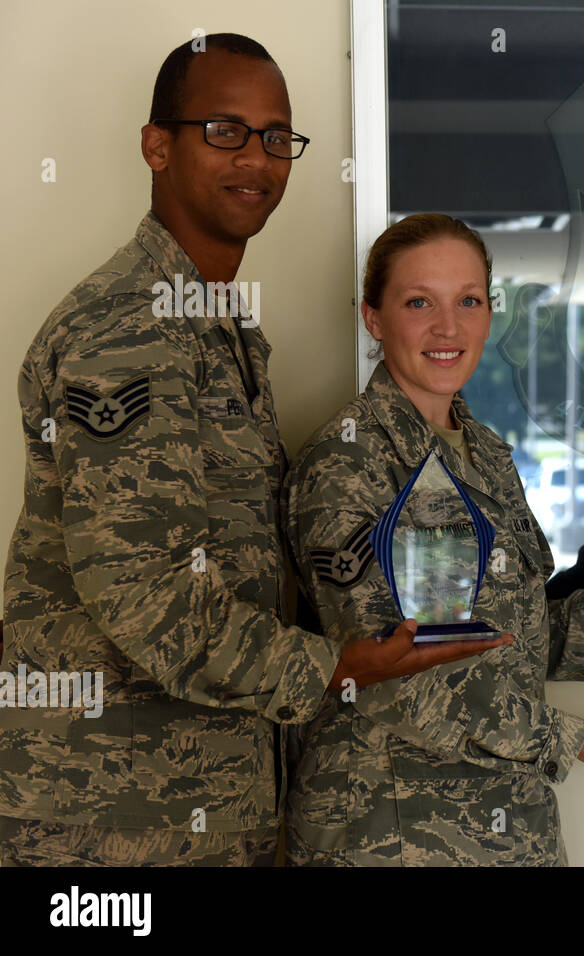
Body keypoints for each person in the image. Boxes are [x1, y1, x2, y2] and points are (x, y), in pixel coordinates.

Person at [0, 35, 499, 867]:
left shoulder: (218, 327)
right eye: (225, 130)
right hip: (111, 820)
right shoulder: (127, 328)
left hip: (204, 800)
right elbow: (143, 594)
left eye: (276, 137)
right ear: (158, 145)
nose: (257, 158)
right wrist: (333, 667)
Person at [286, 213, 584, 866]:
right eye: (418, 303)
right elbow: (390, 674)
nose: (448, 328)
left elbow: (503, 647)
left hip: (507, 828)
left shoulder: (483, 452)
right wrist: (569, 739)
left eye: (468, 301)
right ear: (373, 319)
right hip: (391, 829)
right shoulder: (349, 462)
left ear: (492, 314)